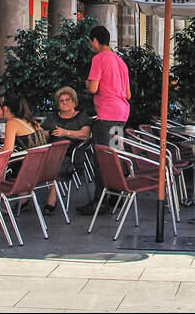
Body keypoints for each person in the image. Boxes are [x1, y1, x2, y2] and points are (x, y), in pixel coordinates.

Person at [77, 26, 130, 215]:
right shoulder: (121, 62)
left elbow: (93, 88)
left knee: (102, 158)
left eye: (91, 42)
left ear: (95, 40)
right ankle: (116, 196)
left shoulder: (98, 59)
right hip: (121, 114)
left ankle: (100, 201)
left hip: (106, 115)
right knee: (115, 155)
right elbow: (128, 93)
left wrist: (88, 83)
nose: (91, 45)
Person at [39, 87, 91, 212]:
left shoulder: (81, 116)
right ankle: (24, 199)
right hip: (52, 150)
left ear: (74, 102)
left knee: (59, 159)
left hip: (72, 152)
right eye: (61, 101)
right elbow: (42, 131)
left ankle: (52, 199)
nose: (65, 102)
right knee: (32, 158)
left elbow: (85, 134)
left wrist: (65, 132)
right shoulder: (54, 117)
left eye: (68, 99)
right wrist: (47, 133)